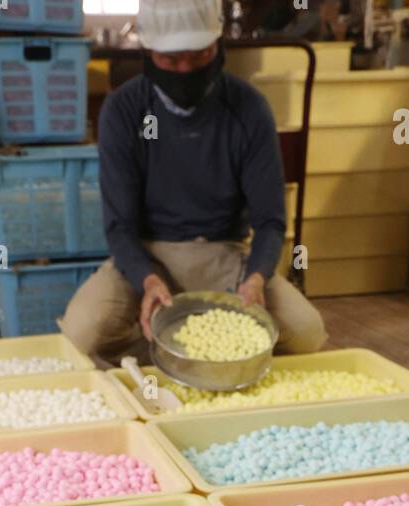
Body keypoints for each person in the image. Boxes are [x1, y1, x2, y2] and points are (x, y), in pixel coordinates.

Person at [61, 0, 327, 363]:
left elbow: (269, 220)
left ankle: (203, 353)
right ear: (149, 53)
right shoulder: (124, 110)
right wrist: (147, 279)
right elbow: (119, 227)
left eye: (199, 56)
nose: (185, 69)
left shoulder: (248, 108)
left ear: (217, 46)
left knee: (306, 331)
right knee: (81, 333)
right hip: (146, 254)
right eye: (171, 61)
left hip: (223, 254)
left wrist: (255, 279)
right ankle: (173, 351)